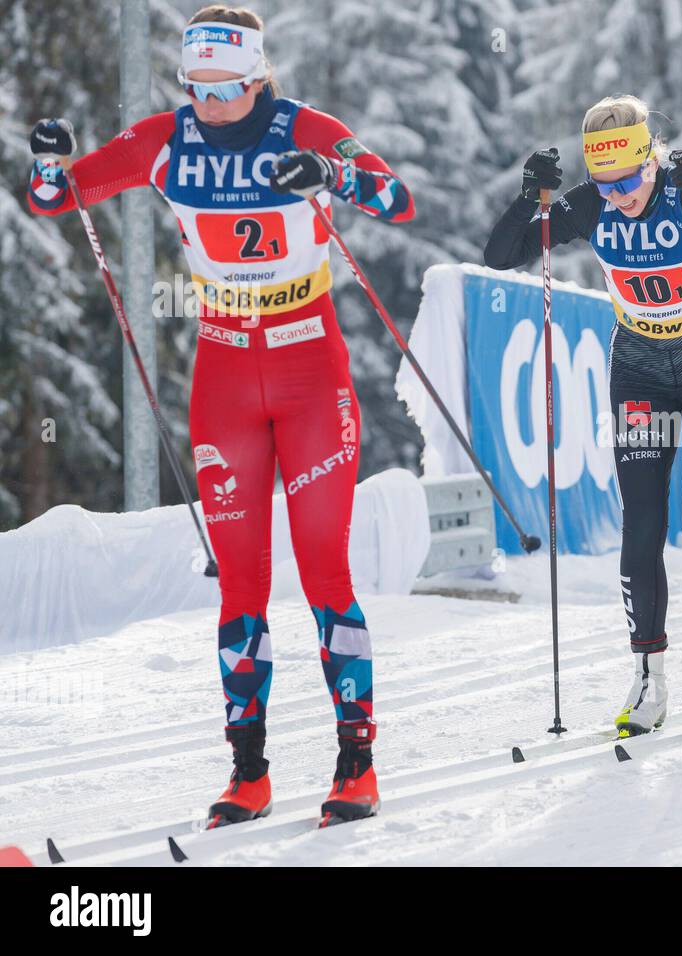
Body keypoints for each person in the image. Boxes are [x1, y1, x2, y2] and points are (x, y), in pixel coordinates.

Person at [27, 5, 415, 827]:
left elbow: (396, 198)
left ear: (258, 77)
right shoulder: (164, 140)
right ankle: (248, 772)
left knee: (324, 574)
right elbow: (59, 198)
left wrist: (332, 176)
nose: (209, 104)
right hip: (225, 372)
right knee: (240, 584)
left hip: (311, 367)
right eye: (195, 88)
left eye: (227, 89)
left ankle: (356, 763)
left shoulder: (305, 126)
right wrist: (50, 164)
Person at [484, 94, 682, 737]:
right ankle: (649, 679)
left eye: (627, 180)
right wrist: (530, 196)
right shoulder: (593, 203)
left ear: (652, 159)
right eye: (603, 183)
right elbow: (501, 253)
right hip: (640, 368)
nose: (616, 196)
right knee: (641, 527)